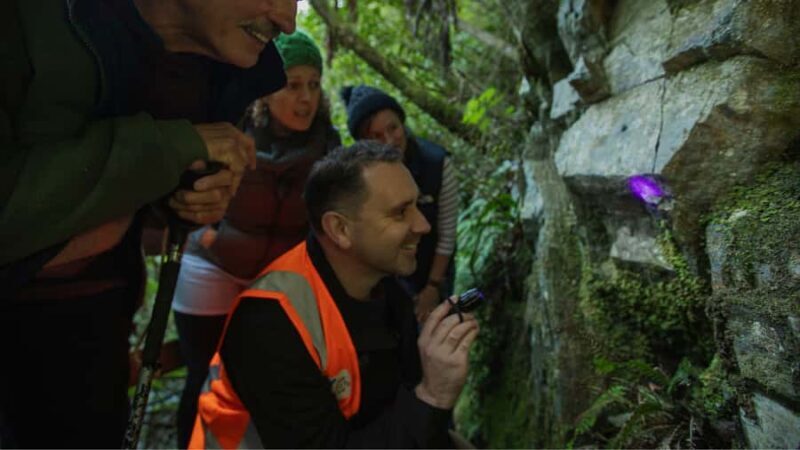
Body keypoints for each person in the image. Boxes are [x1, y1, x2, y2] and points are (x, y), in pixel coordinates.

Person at [0, 0, 298, 447]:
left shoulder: (221, 68)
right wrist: (170, 148)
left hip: (94, 341)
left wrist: (187, 197)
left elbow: (140, 195)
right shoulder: (27, 22)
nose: (287, 20)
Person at [188, 142, 480, 448]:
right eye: (400, 213)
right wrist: (433, 394)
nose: (423, 224)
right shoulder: (270, 322)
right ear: (340, 229)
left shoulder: (388, 292)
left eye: (417, 206)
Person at [171, 30, 341, 449]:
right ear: (266, 91)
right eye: (292, 85)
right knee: (203, 376)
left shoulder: (329, 145)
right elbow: (185, 188)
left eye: (314, 85)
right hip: (212, 266)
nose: (305, 98)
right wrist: (208, 234)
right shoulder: (233, 123)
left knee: (267, 381)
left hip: (275, 281)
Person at [340, 85, 459, 323]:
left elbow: (447, 234)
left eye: (393, 128)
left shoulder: (437, 164)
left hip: (432, 270)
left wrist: (433, 287)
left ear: (402, 123)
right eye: (375, 136)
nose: (389, 141)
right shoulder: (358, 175)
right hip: (385, 278)